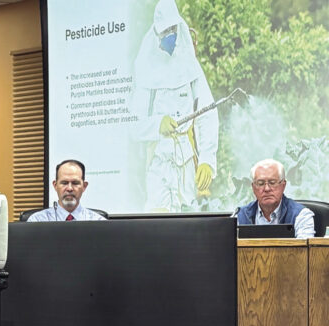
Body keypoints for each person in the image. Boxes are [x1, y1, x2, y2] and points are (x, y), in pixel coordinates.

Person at [131, 0, 218, 212]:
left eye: (172, 29)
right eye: (164, 31)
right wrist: (157, 124)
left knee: (188, 216)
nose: (169, 35)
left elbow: (207, 114)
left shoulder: (190, 67)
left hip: (186, 161)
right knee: (157, 221)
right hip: (159, 163)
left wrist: (207, 160)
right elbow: (133, 125)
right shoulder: (145, 69)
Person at [236, 159, 315, 238]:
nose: (267, 189)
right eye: (261, 183)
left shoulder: (301, 215)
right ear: (253, 188)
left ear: (283, 185)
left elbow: (305, 245)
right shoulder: (240, 216)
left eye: (272, 183)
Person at [27, 160, 106, 222]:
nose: (69, 188)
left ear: (84, 186)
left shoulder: (99, 222)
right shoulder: (37, 221)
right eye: (64, 183)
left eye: (75, 183)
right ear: (55, 185)